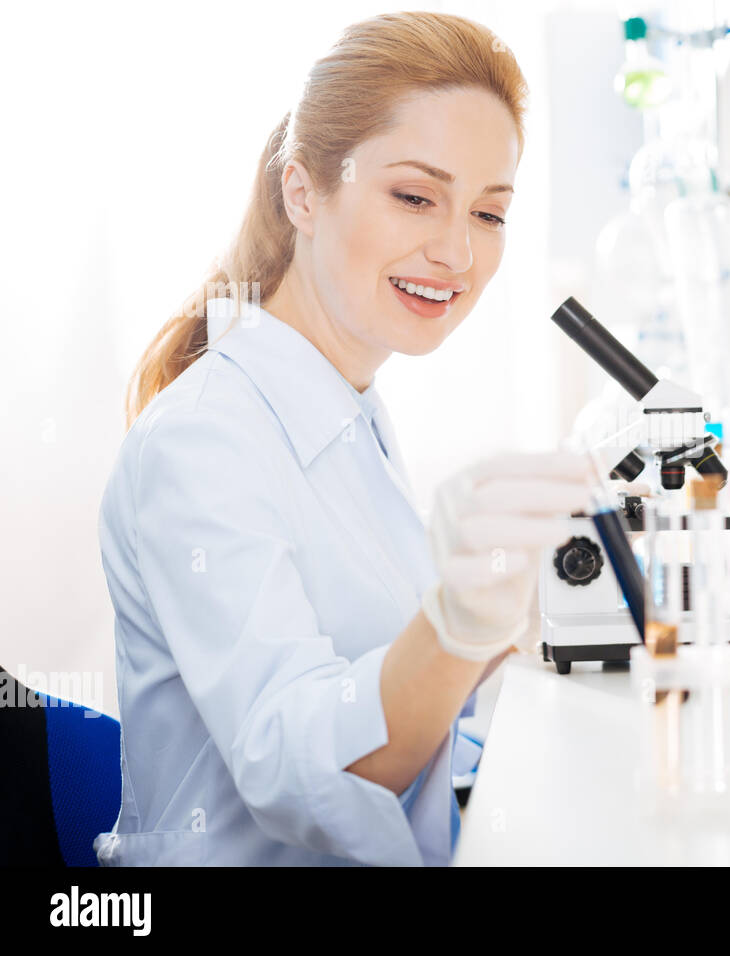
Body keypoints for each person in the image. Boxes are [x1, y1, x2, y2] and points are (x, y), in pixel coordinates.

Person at [94, 11, 588, 866]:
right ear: (302, 193)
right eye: (414, 197)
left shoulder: (350, 408)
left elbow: (397, 690)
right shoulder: (202, 441)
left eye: (490, 213)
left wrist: (520, 617)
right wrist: (456, 625)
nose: (457, 253)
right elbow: (298, 769)